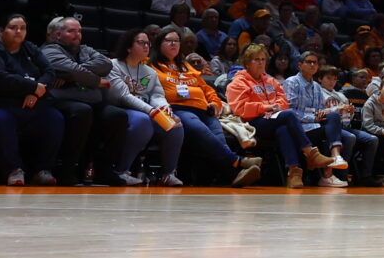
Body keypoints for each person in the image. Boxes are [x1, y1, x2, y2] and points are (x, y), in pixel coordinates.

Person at [0, 13, 62, 185]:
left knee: (53, 117)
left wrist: (36, 91)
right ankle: (13, 169)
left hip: (20, 105)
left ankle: (42, 169)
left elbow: (49, 72)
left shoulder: (29, 49)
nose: (18, 32)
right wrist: (31, 86)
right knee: (1, 119)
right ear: (1, 31)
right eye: (13, 28)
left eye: (22, 28)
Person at [151, 29, 261, 187]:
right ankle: (238, 162)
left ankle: (233, 175)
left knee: (219, 139)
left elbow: (208, 89)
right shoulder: (153, 66)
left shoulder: (186, 66)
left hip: (205, 110)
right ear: (159, 43)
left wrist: (215, 104)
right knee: (201, 131)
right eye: (169, 40)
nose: (174, 44)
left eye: (177, 41)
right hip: (179, 109)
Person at [226, 44, 333, 189]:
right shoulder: (238, 82)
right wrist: (266, 108)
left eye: (263, 59)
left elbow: (283, 100)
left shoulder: (270, 80)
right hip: (253, 123)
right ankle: (311, 153)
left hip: (274, 119)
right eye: (256, 59)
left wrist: (275, 107)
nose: (261, 62)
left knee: (283, 129)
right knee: (288, 115)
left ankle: (294, 172)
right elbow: (240, 108)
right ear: (247, 63)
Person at [40, 15, 120, 184]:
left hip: (91, 100)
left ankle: (104, 170)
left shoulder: (85, 49)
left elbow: (106, 65)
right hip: (61, 101)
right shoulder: (49, 50)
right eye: (71, 31)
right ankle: (67, 169)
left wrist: (72, 76)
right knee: (82, 111)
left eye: (79, 31)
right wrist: (95, 80)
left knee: (117, 115)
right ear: (57, 35)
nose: (77, 35)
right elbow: (72, 69)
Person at [107, 28, 186, 186]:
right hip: (120, 109)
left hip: (146, 110)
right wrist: (151, 110)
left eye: (148, 44)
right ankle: (122, 171)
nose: (146, 47)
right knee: (143, 121)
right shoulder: (113, 65)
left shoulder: (149, 72)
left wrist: (164, 107)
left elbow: (156, 95)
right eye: (141, 43)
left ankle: (168, 174)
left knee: (175, 123)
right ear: (129, 47)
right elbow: (124, 96)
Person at [284, 51, 355, 187]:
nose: (312, 65)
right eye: (309, 62)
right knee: (334, 130)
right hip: (300, 128)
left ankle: (335, 160)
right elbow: (289, 111)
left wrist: (328, 112)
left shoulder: (316, 86)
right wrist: (313, 118)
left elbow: (320, 110)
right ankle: (327, 175)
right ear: (300, 65)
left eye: (315, 62)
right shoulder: (292, 82)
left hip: (316, 125)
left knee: (336, 120)